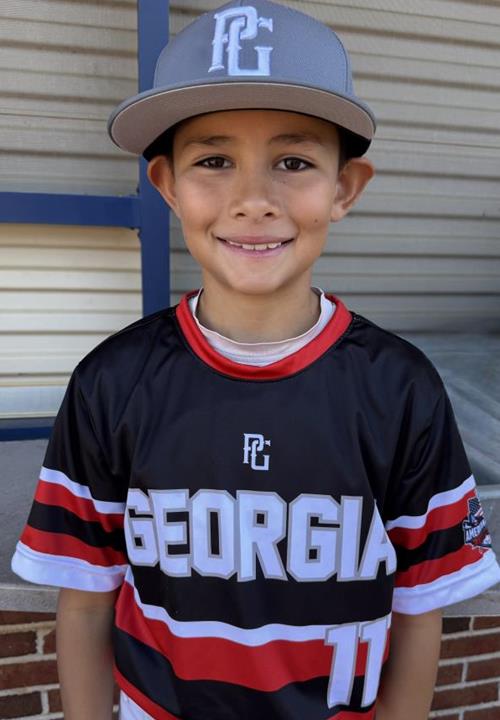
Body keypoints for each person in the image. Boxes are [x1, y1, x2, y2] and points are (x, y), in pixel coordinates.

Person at [11, 1, 500, 719]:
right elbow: (84, 603)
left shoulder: (400, 388)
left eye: (293, 162)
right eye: (214, 161)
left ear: (344, 187)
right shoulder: (111, 381)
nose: (252, 200)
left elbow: (420, 609)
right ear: (167, 185)